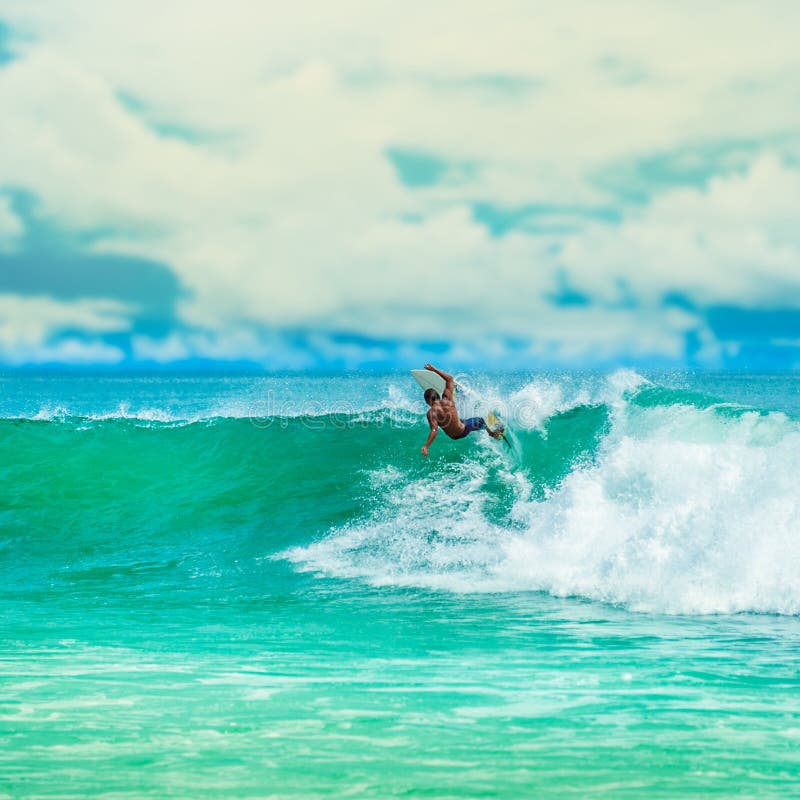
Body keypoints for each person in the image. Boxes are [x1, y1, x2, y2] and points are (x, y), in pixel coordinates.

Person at [420, 363, 502, 457]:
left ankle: (459, 398)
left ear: (428, 401)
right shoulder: (447, 398)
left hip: (453, 436)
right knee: (480, 420)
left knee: (460, 420)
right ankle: (491, 433)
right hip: (464, 430)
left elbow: (434, 430)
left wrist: (426, 446)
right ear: (438, 395)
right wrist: (434, 369)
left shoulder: (431, 413)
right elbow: (450, 379)